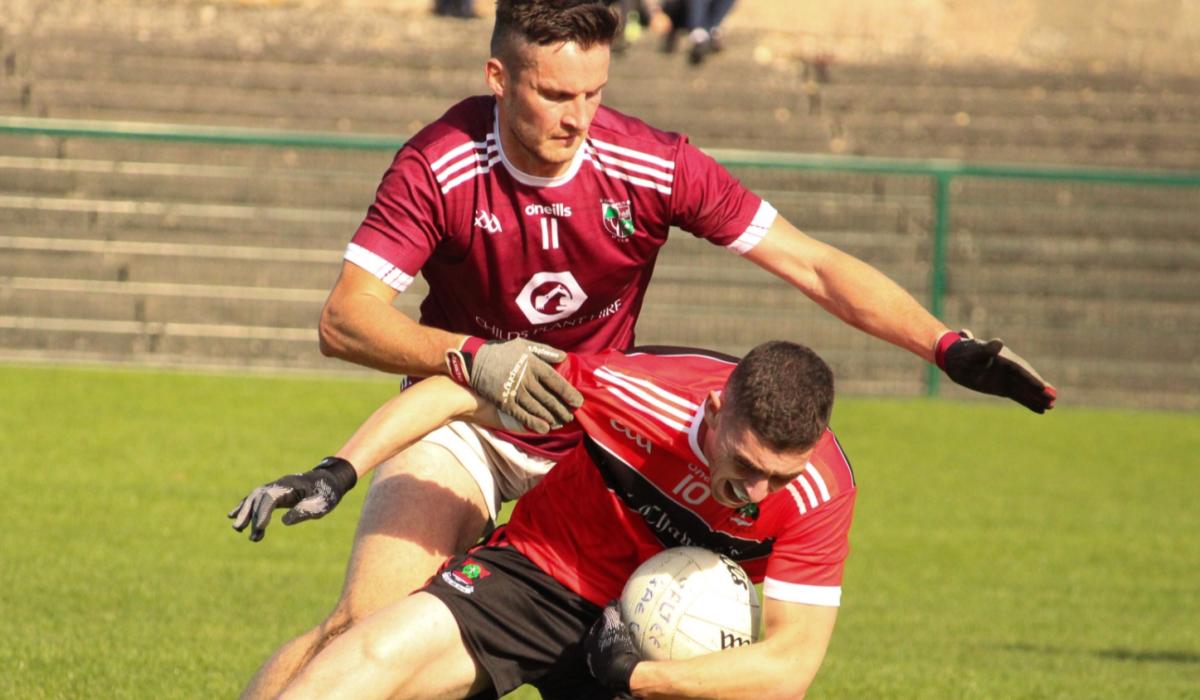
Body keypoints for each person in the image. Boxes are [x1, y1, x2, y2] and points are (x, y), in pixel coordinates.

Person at [237, 0, 1055, 696]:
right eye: (555, 94)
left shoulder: (652, 163)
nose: (577, 118)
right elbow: (345, 320)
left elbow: (810, 263)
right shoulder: (439, 162)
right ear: (498, 79)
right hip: (468, 411)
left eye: (594, 92)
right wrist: (473, 358)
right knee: (366, 622)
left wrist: (946, 347)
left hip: (607, 432)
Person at [231, 341, 854, 699]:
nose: (757, 491)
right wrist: (338, 469)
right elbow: (459, 391)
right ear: (716, 412)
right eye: (746, 464)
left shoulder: (820, 492)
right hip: (538, 576)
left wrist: (638, 674)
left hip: (647, 637)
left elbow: (789, 665)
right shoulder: (636, 392)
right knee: (371, 654)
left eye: (779, 475)